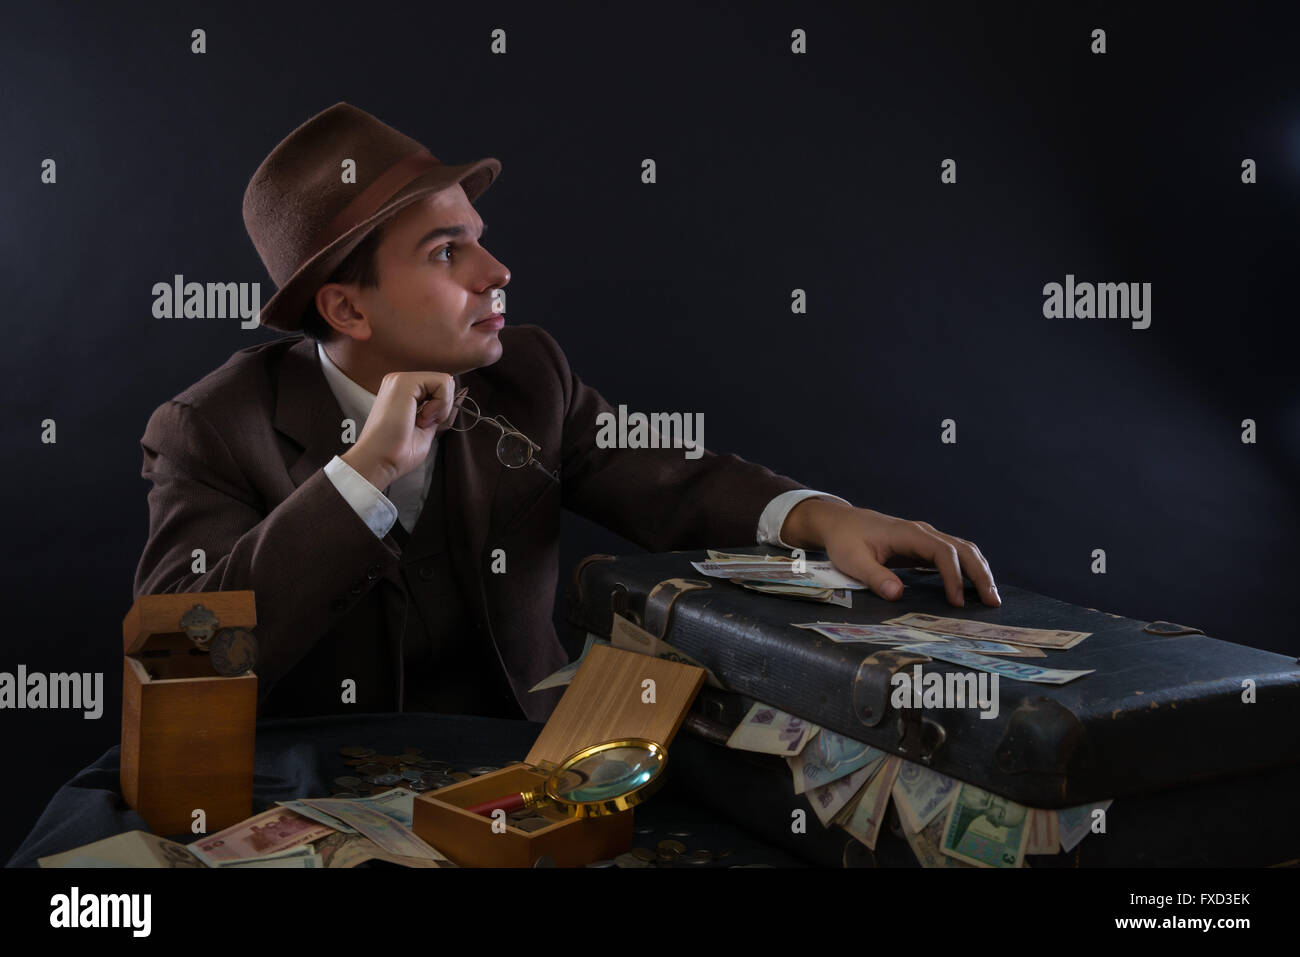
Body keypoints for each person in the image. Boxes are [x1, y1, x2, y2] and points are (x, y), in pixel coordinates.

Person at [133, 103, 999, 723]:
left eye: (478, 235)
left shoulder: (526, 377)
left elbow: (672, 480)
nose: (496, 269)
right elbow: (182, 660)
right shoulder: (212, 429)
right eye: (448, 252)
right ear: (348, 312)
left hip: (527, 776)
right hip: (310, 795)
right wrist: (361, 475)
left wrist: (826, 516)